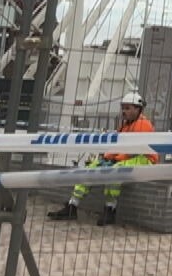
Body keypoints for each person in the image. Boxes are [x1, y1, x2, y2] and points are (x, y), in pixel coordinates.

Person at [48, 93, 156, 227]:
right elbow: (117, 145)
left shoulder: (143, 124)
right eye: (123, 108)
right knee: (89, 169)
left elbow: (135, 150)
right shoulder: (125, 125)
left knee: (114, 171)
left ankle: (110, 209)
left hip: (143, 159)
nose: (124, 111)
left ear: (138, 109)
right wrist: (106, 157)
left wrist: (114, 159)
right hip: (125, 158)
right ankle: (72, 205)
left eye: (127, 108)